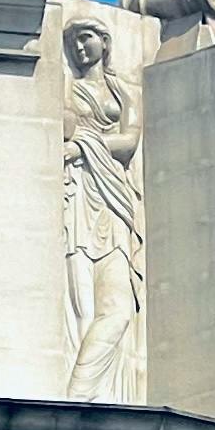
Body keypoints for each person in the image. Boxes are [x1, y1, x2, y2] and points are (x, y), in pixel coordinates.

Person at [60, 21, 143, 403]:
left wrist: (84, 145)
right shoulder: (68, 86)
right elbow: (63, 126)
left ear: (104, 43)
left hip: (114, 198)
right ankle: (82, 400)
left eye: (85, 39)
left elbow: (129, 143)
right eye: (72, 42)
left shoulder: (121, 91)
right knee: (82, 304)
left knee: (119, 309)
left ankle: (80, 393)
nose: (79, 48)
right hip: (78, 192)